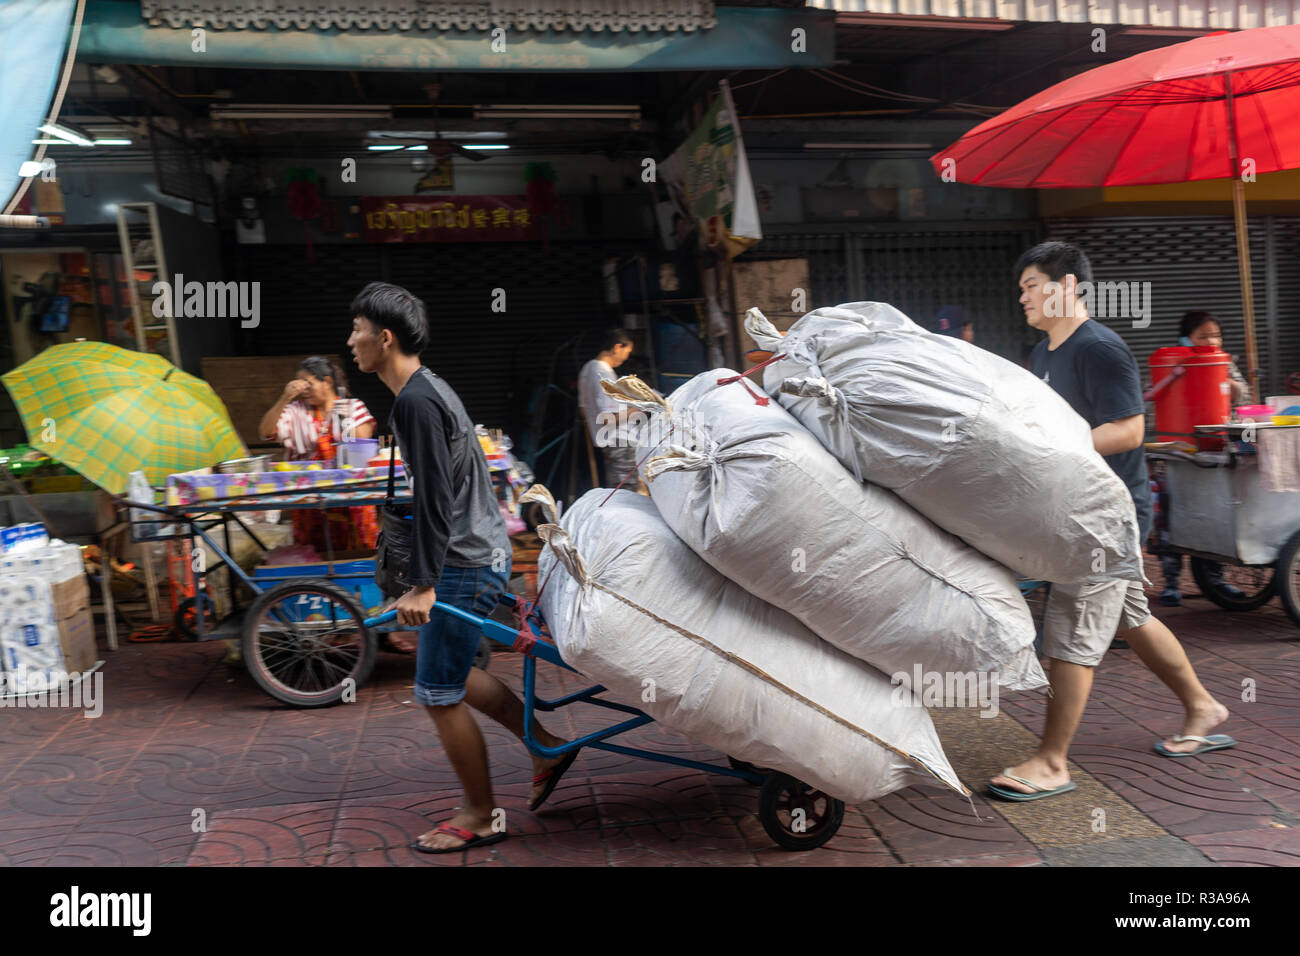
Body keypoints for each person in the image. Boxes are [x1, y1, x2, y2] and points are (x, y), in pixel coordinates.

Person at [987, 242, 1234, 802]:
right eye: (1022, 286)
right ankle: (1203, 706)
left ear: (1067, 285)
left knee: (1072, 623)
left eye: (1030, 284)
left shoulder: (1099, 348)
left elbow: (1129, 430)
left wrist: (1054, 450)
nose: (1022, 295)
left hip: (1108, 512)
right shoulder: (1044, 353)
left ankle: (1052, 761)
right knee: (1132, 617)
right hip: (1078, 507)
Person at [347, 281, 575, 853]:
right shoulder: (426, 390)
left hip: (465, 562)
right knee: (449, 677)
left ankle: (479, 814)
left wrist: (423, 585)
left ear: (385, 337)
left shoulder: (417, 401)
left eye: (357, 331)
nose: (351, 342)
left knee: (436, 691)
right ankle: (546, 742)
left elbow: (436, 500)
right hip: (477, 553)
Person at [1155, 311, 1250, 606]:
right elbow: (1155, 396)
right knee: (1171, 514)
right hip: (1178, 448)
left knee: (1215, 512)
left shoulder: (1224, 361)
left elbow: (1242, 393)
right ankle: (1171, 582)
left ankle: (1217, 580)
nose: (1211, 340)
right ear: (1186, 338)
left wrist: (1222, 375)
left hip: (1215, 444)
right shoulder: (1172, 362)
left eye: (1215, 335)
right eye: (1203, 336)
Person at [258, 356, 378, 554]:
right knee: (314, 554)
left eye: (308, 384)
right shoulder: (294, 411)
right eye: (299, 385)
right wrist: (285, 398)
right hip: (309, 501)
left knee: (358, 552)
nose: (303, 391)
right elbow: (265, 432)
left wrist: (337, 414)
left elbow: (362, 439)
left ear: (327, 382)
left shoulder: (352, 407)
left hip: (351, 498)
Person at [577, 328, 637, 487]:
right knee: (627, 492)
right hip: (621, 443)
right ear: (617, 347)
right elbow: (608, 418)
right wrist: (638, 410)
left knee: (618, 491)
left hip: (608, 443)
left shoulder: (586, 370)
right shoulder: (603, 374)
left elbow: (583, 411)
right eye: (627, 350)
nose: (627, 357)